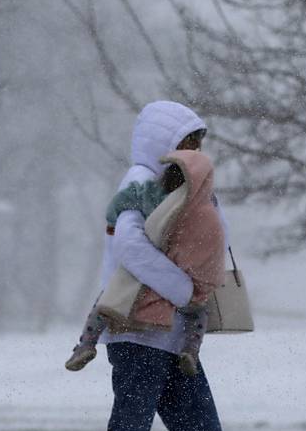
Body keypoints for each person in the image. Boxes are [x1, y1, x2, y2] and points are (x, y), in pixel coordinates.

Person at [57, 101, 226, 431]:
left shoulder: (181, 188)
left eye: (198, 144)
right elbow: (129, 248)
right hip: (137, 336)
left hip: (171, 339)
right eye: (188, 142)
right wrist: (185, 291)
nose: (194, 152)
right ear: (163, 142)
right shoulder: (140, 181)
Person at [65, 147, 224, 376]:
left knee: (107, 301)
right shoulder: (202, 209)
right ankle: (190, 348)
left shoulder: (150, 193)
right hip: (186, 279)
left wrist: (112, 222)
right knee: (198, 311)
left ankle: (86, 343)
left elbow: (121, 203)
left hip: (149, 272)